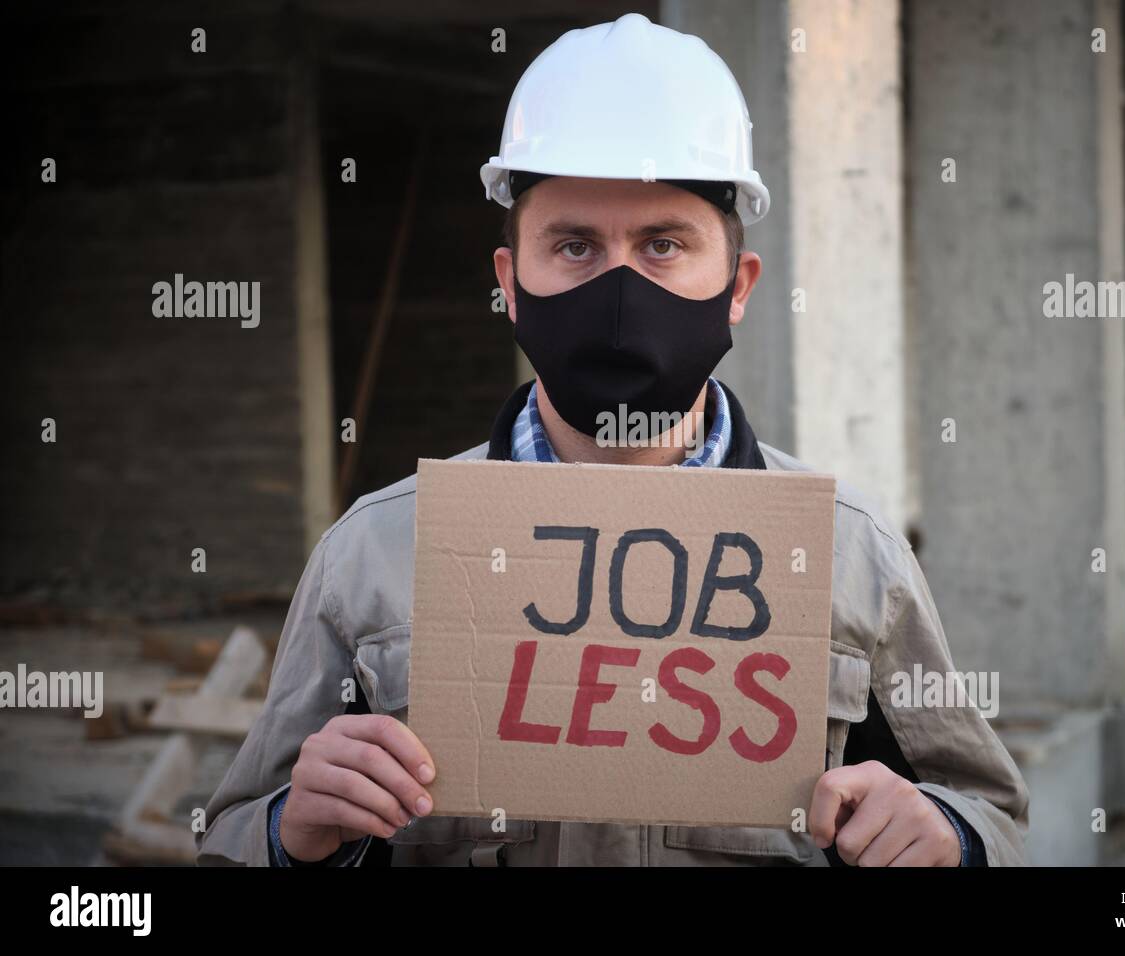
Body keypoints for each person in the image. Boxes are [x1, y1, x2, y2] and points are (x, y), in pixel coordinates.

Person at [197, 12, 1028, 867]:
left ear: (737, 286)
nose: (621, 289)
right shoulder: (370, 554)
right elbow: (226, 839)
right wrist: (290, 837)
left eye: (663, 245)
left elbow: (993, 815)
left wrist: (949, 838)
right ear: (511, 284)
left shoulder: (853, 555)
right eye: (574, 246)